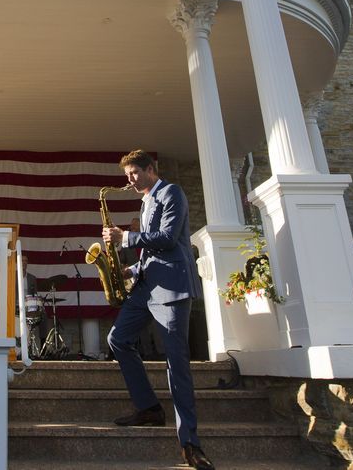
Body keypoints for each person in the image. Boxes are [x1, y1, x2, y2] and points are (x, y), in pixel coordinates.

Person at [102, 149, 214, 470]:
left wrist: (126, 238)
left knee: (176, 362)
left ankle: (190, 443)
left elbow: (167, 239)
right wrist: (133, 271)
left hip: (172, 286)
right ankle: (149, 407)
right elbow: (152, 249)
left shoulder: (172, 192)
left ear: (151, 169)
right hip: (146, 286)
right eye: (127, 176)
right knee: (118, 340)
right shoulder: (146, 199)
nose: (131, 180)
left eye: (135, 173)